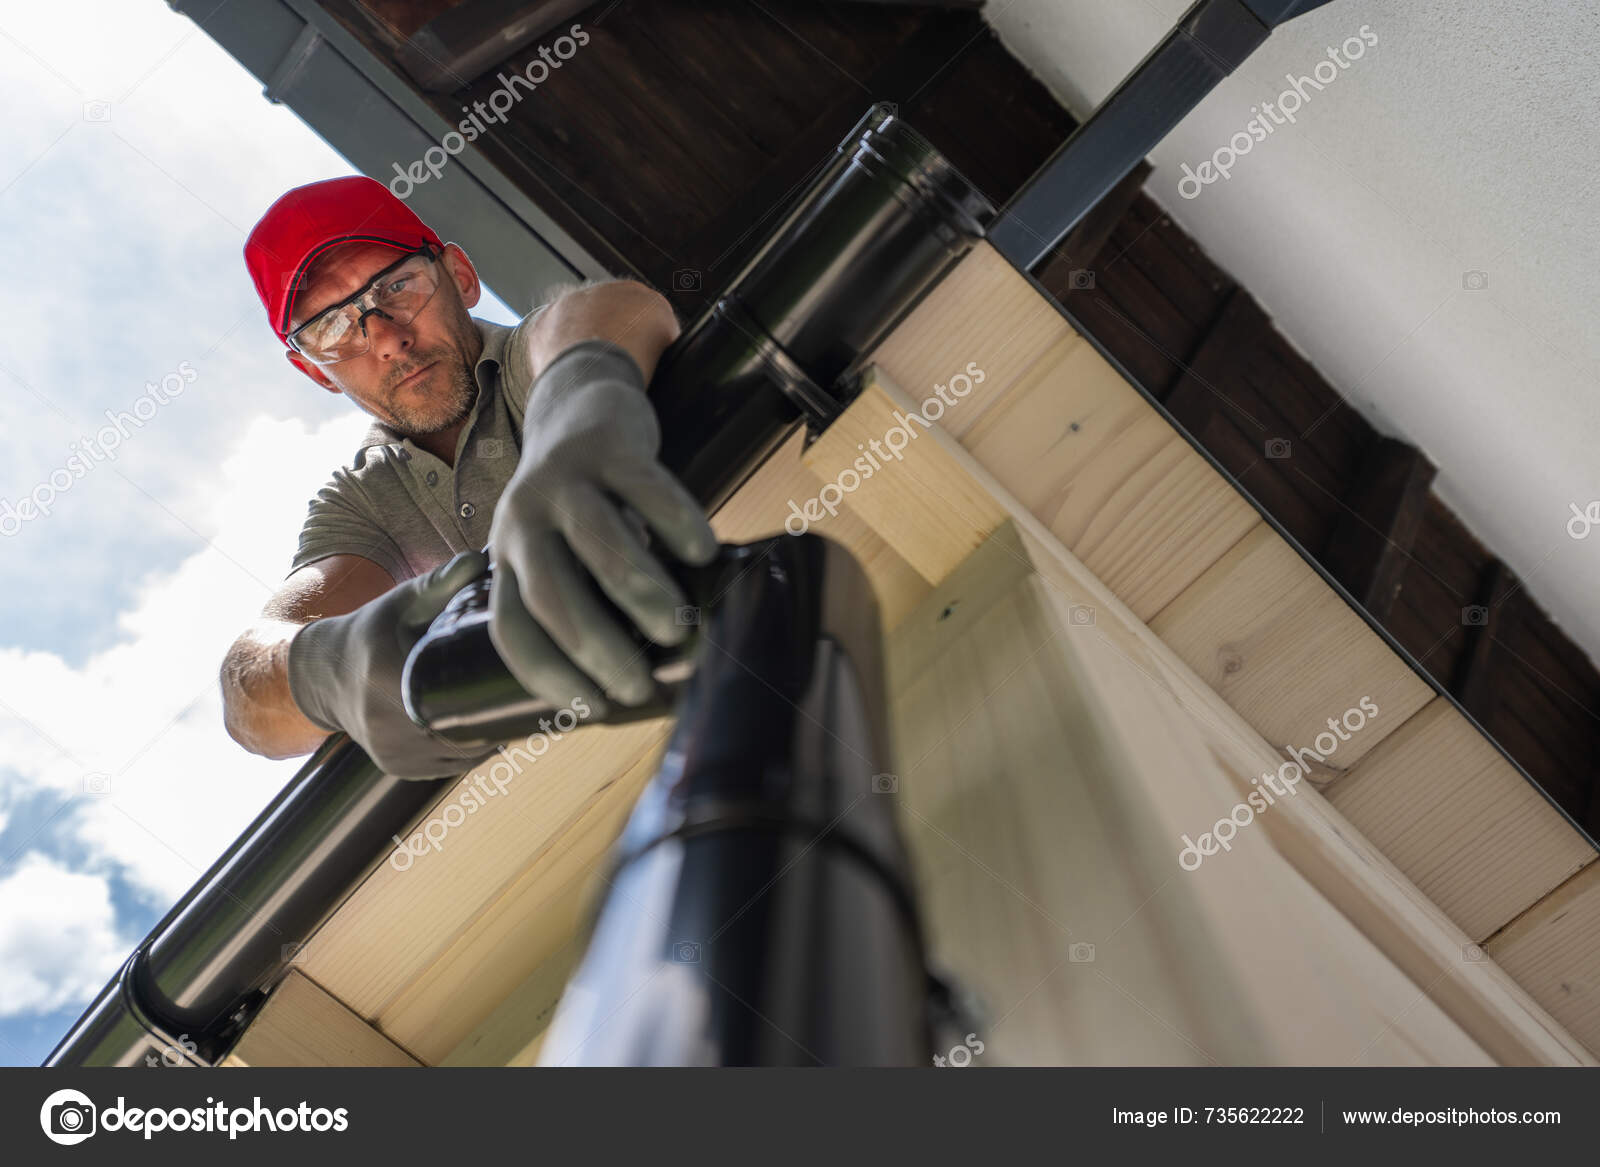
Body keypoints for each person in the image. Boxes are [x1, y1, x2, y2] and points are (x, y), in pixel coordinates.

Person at [218, 175, 717, 778]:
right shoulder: (362, 501)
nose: (386, 338)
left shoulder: (534, 358)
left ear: (459, 276)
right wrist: (330, 669)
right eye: (332, 326)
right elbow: (250, 694)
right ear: (317, 373)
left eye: (397, 286)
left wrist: (577, 427)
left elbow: (608, 310)